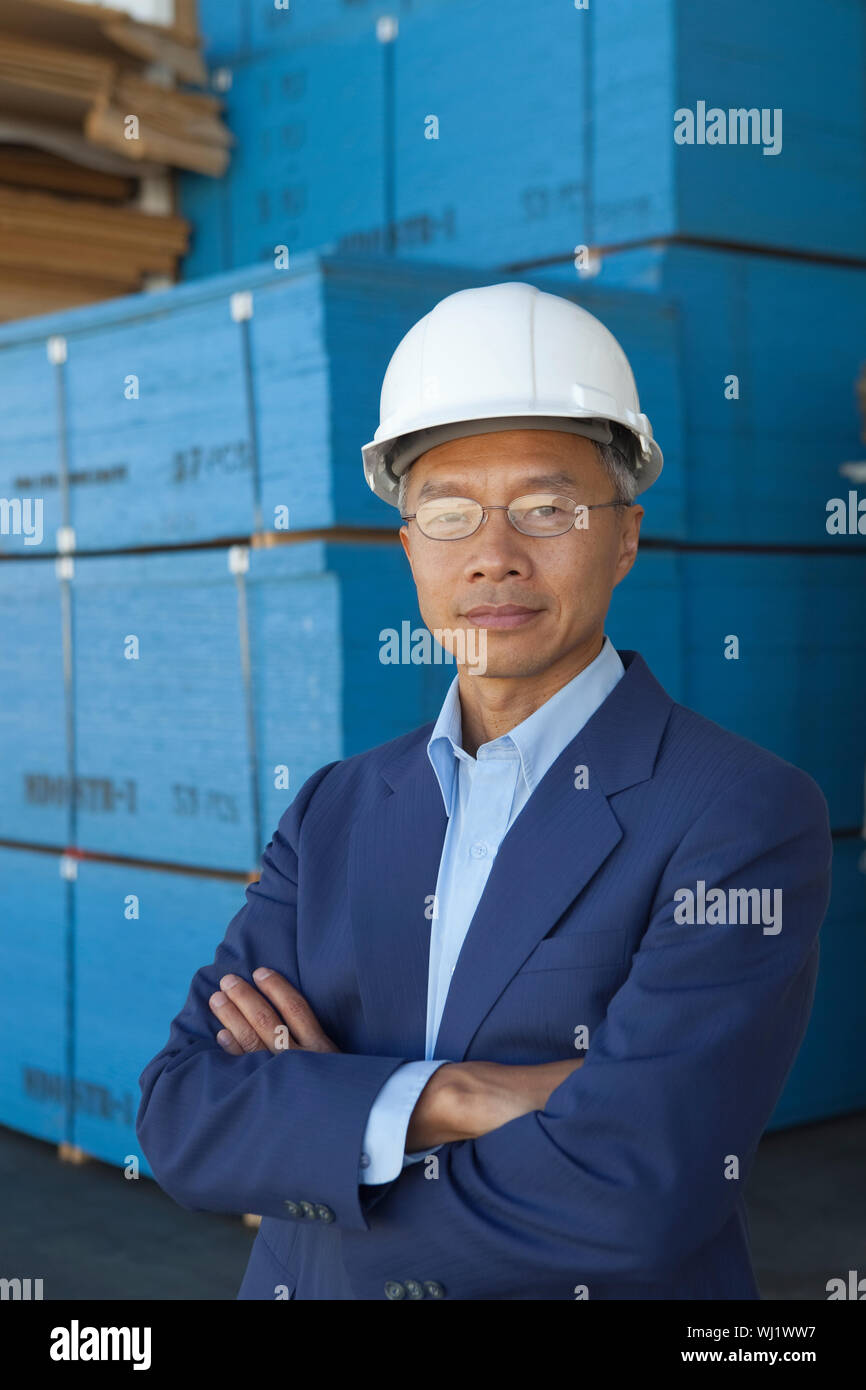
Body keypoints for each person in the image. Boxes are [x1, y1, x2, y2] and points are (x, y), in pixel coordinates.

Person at [136, 282, 832, 1300]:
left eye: (546, 508)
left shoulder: (737, 815)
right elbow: (181, 1117)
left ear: (625, 535)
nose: (493, 556)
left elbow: (631, 1194)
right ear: (409, 546)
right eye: (450, 514)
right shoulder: (333, 809)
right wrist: (456, 1094)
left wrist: (325, 1130)